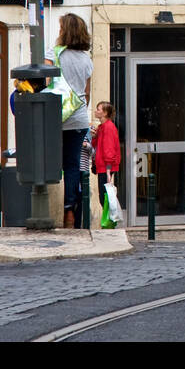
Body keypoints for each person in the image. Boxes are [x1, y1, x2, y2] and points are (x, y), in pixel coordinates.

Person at [53, 13, 93, 229]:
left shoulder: (55, 54)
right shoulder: (87, 60)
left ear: (64, 31)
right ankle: (69, 209)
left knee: (50, 162)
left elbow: (45, 81)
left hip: (55, 116)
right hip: (78, 118)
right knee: (71, 165)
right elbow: (86, 92)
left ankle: (50, 206)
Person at [92, 100, 122, 227]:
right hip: (102, 167)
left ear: (104, 113)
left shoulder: (109, 127)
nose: (96, 111)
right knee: (104, 197)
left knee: (105, 197)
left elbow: (109, 149)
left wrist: (109, 170)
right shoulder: (102, 127)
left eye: (98, 109)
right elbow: (98, 146)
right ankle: (109, 220)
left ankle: (110, 221)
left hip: (106, 167)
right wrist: (94, 136)